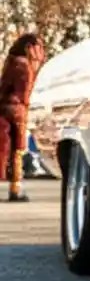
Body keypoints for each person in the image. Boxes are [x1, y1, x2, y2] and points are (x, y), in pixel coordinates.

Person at [0, 34, 45, 202]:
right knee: (17, 151)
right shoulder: (25, 66)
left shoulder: (11, 62)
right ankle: (15, 190)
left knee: (3, 150)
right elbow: (25, 93)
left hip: (3, 108)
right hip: (17, 111)